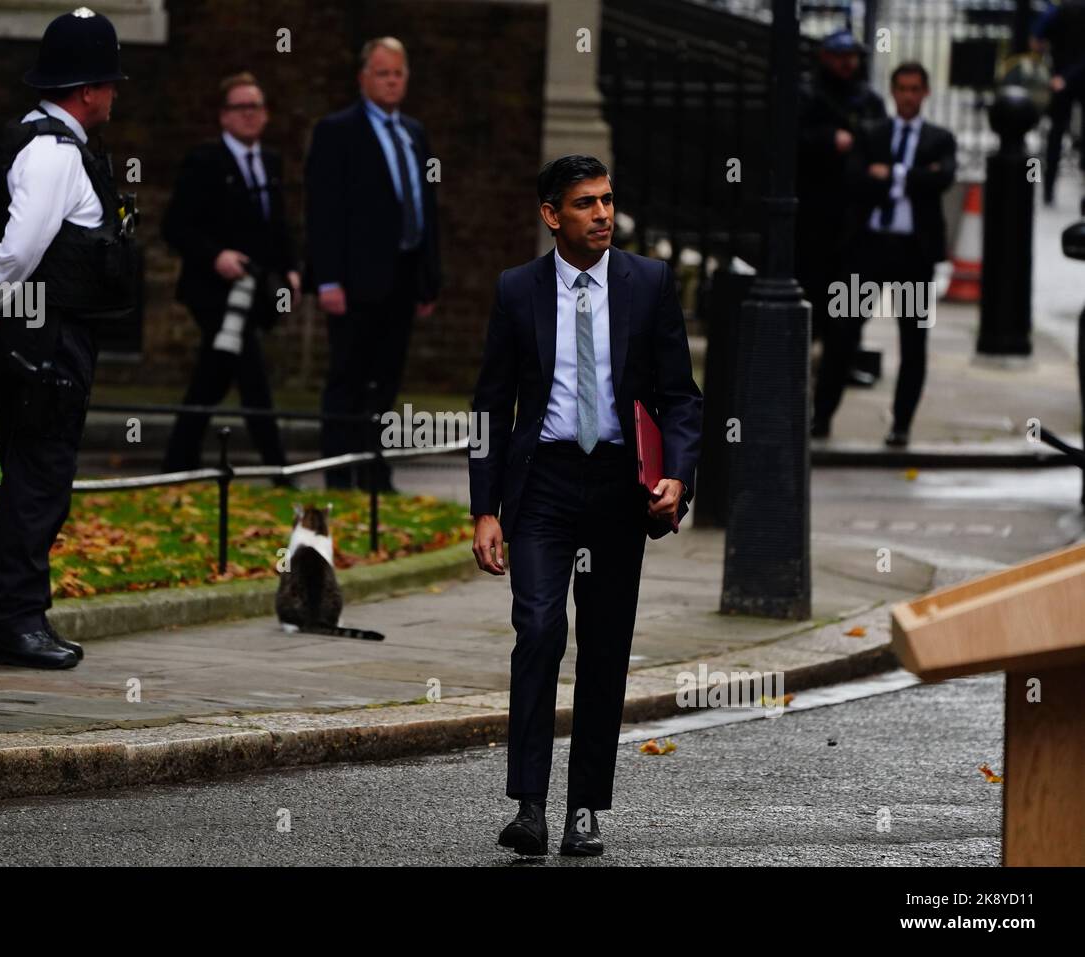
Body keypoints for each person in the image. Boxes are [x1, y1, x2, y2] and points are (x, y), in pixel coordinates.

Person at [468, 155, 703, 856]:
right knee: (539, 629)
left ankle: (584, 811)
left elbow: (681, 397)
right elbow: (490, 405)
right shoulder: (517, 291)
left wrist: (679, 477)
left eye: (607, 200)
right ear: (551, 216)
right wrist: (485, 508)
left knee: (603, 646)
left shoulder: (649, 283)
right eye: (584, 204)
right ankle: (531, 806)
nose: (602, 214)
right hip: (541, 485)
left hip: (614, 489)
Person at [0, 7, 136, 669]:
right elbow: (19, 246)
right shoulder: (56, 152)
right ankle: (15, 624)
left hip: (38, 334)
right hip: (48, 339)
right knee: (39, 478)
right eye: (109, 82)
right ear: (86, 90)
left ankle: (22, 617)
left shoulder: (24, 139)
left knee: (34, 473)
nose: (114, 93)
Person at [305, 36, 441, 492]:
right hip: (354, 279)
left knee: (386, 382)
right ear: (364, 79)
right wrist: (327, 279)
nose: (391, 81)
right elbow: (323, 210)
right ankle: (341, 475)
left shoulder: (414, 133)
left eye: (398, 73)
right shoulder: (337, 131)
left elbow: (425, 207)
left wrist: (427, 280)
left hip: (402, 276)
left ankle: (377, 473)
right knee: (348, 378)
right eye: (382, 73)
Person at [160, 71, 300, 478]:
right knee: (251, 374)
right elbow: (176, 226)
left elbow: (278, 226)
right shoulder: (204, 161)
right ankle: (278, 469)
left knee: (213, 377)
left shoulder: (270, 162)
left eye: (255, 107)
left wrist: (290, 269)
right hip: (214, 292)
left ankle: (177, 463)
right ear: (224, 116)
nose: (249, 115)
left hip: (254, 291)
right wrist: (216, 255)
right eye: (241, 108)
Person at [812, 62, 957, 447]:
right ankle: (822, 416)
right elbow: (855, 180)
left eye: (915, 89)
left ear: (925, 93)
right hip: (868, 249)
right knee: (842, 334)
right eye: (902, 89)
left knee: (912, 341)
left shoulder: (939, 138)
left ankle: (901, 424)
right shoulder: (873, 134)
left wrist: (891, 174)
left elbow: (942, 178)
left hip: (914, 253)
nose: (908, 96)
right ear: (893, 93)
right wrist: (913, 175)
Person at [796, 29, 886, 350]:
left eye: (852, 57)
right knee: (816, 278)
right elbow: (790, 140)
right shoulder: (808, 94)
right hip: (817, 205)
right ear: (826, 58)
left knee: (854, 285)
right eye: (841, 56)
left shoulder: (867, 99)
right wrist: (828, 139)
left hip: (856, 208)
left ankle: (845, 346)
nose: (848, 63)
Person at [1034, 1, 1085, 205]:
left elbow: (1036, 41)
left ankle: (1047, 188)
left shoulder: (1055, 12)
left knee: (1055, 135)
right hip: (1078, 77)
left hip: (1058, 80)